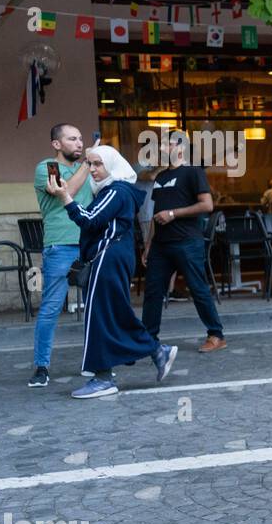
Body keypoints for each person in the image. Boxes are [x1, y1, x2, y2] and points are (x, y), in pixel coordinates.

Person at [46, 145, 178, 399]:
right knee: (111, 314)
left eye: (97, 164)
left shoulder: (116, 190)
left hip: (108, 257)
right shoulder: (116, 190)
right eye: (90, 164)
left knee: (100, 317)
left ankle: (104, 377)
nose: (93, 170)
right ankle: (155, 351)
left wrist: (66, 198)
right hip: (112, 257)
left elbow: (89, 219)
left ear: (111, 164)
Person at [140, 134, 226, 353]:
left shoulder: (193, 172)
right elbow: (154, 214)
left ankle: (216, 335)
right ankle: (148, 340)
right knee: (152, 292)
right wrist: (148, 244)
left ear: (180, 148)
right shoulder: (159, 177)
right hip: (160, 244)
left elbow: (207, 205)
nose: (161, 147)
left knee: (198, 289)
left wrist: (173, 213)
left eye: (167, 144)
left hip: (187, 242)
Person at [28, 124, 94, 388]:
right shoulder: (47, 167)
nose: (79, 143)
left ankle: (96, 362)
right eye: (72, 139)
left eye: (80, 138)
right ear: (57, 144)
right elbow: (68, 192)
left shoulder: (88, 168)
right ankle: (41, 367)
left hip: (89, 244)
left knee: (96, 306)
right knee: (52, 308)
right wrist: (88, 163)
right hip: (60, 246)